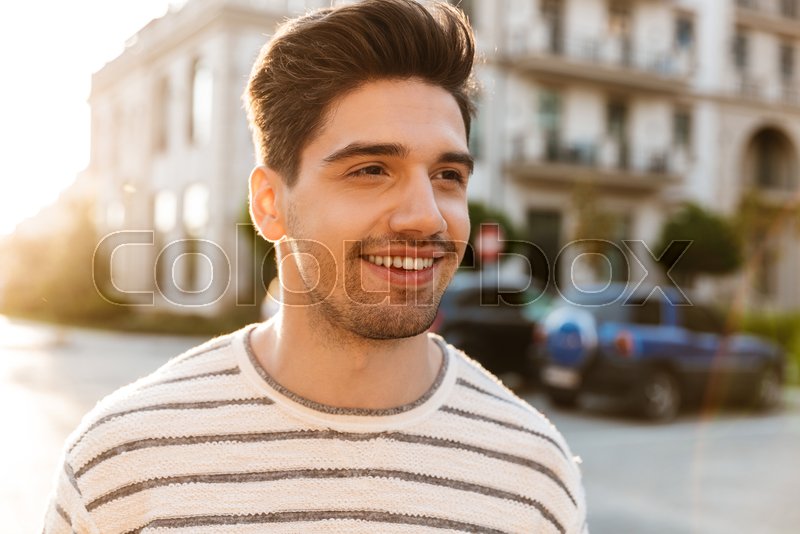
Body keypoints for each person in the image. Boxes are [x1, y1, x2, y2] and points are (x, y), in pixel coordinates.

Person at [43, 1, 587, 532]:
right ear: (269, 204)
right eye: (372, 169)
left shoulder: (534, 474)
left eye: (448, 176)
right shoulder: (121, 463)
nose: (426, 217)